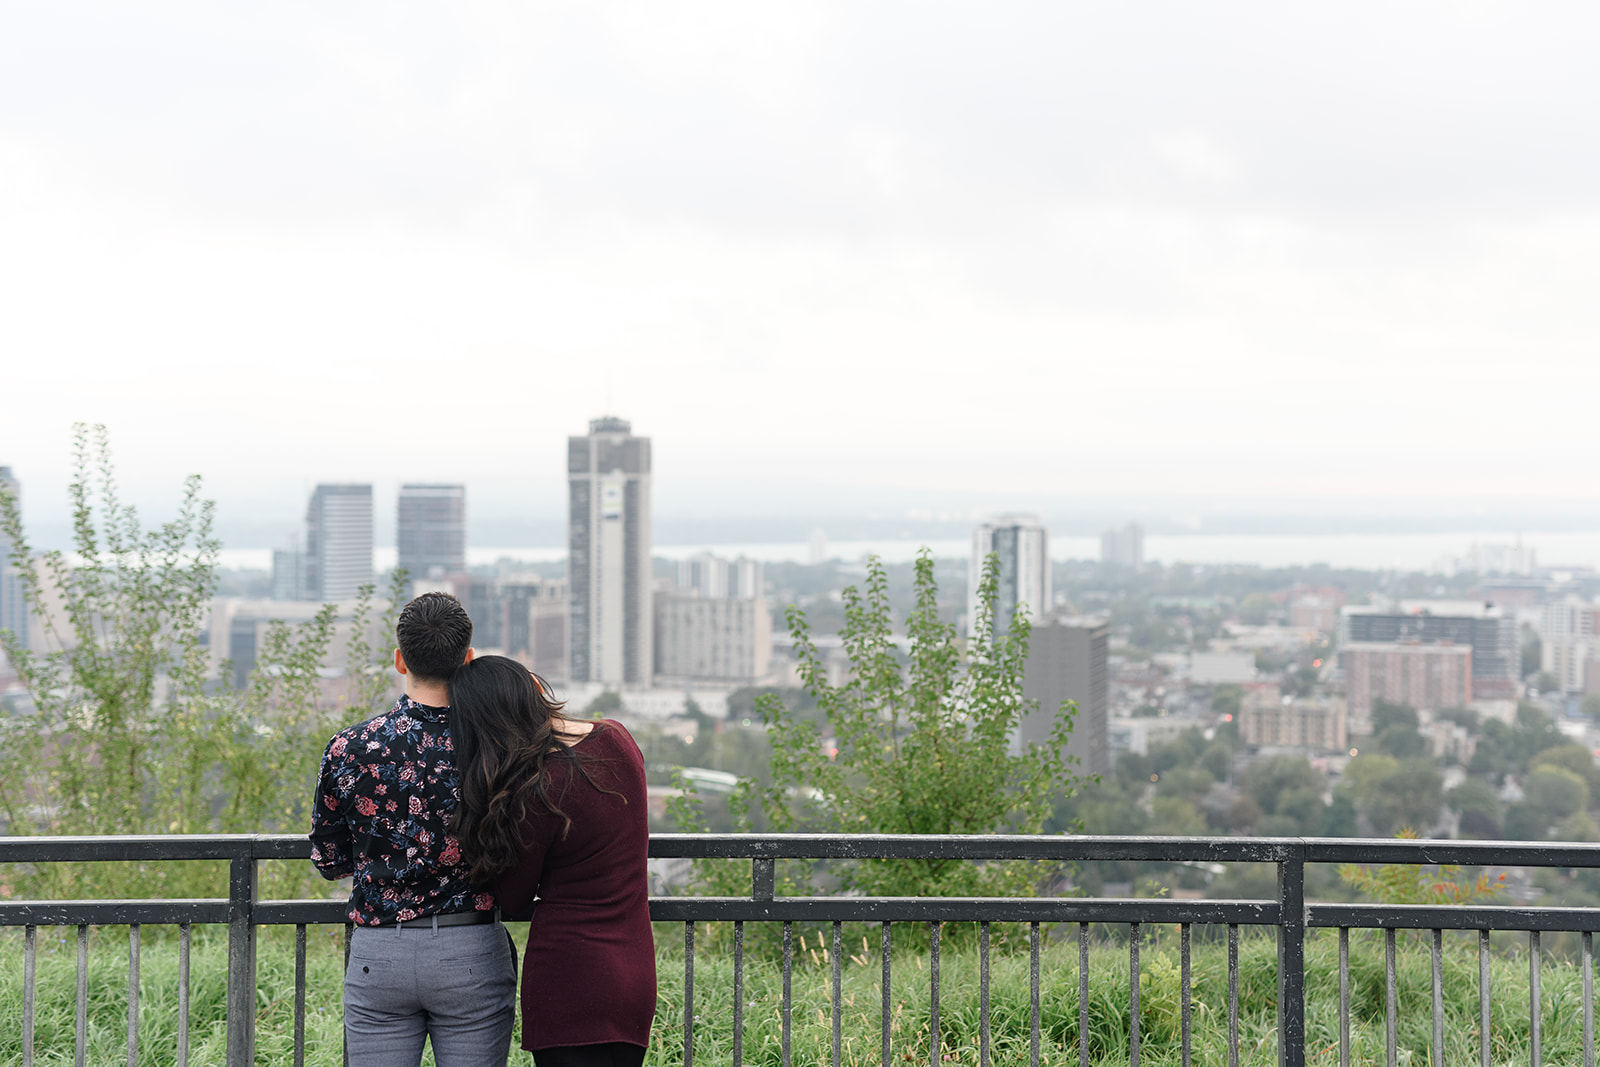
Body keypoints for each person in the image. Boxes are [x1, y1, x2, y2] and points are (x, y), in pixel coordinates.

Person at [309, 591, 516, 1067]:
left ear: (401, 660)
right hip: (471, 951)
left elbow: (328, 859)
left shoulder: (350, 748)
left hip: (379, 952)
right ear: (467, 660)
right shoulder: (499, 749)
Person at [448, 655, 656, 1067]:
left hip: (567, 979)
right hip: (634, 971)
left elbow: (514, 896)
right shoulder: (617, 737)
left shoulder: (538, 790)